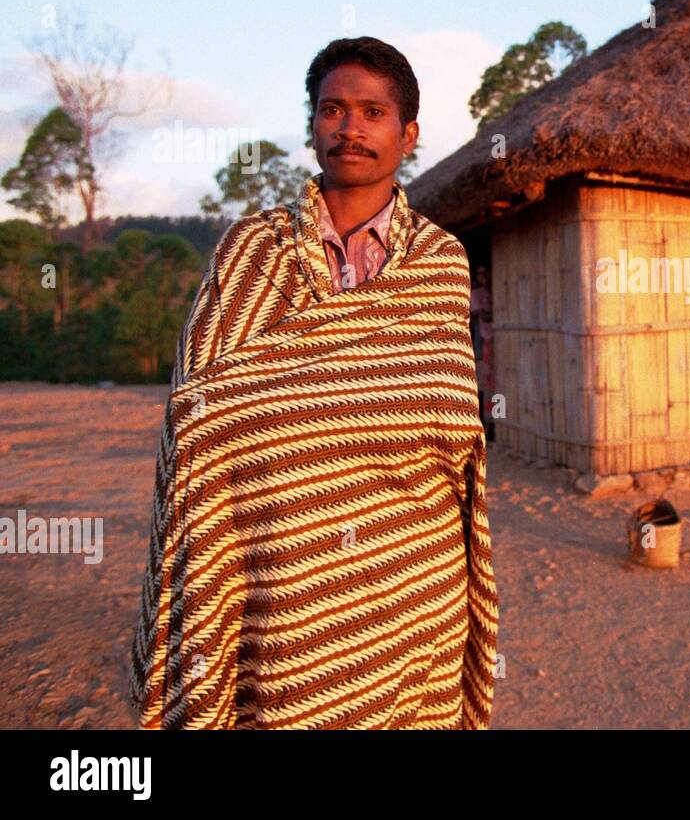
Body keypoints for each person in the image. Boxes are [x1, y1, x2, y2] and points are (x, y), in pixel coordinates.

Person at [128, 36, 499, 729]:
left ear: (408, 133)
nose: (350, 127)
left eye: (373, 111)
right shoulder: (251, 248)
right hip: (279, 586)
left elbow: (451, 423)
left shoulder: (442, 261)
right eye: (333, 109)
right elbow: (199, 418)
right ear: (312, 126)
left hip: (414, 589)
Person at [469, 263, 495, 441]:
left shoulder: (492, 292)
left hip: (493, 344)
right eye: (480, 273)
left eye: (486, 273)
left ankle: (494, 425)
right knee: (483, 388)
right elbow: (482, 315)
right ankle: (485, 426)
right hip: (482, 344)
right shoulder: (478, 295)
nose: (483, 277)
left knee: (495, 388)